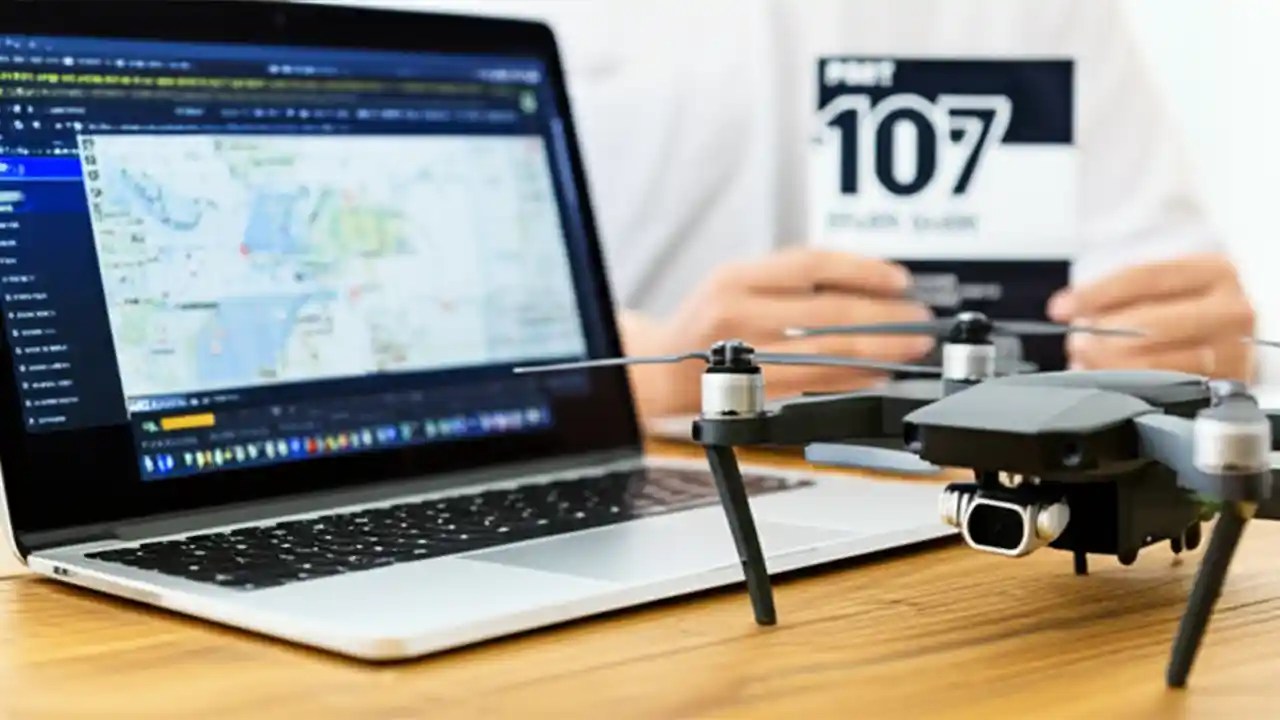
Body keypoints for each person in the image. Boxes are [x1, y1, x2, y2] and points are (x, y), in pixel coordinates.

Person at [384, 0, 1257, 419]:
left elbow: (1162, 295)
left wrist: (1197, 345)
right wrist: (654, 375)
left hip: (970, 535)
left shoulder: (1050, 11)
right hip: (641, 493)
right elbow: (376, 321)